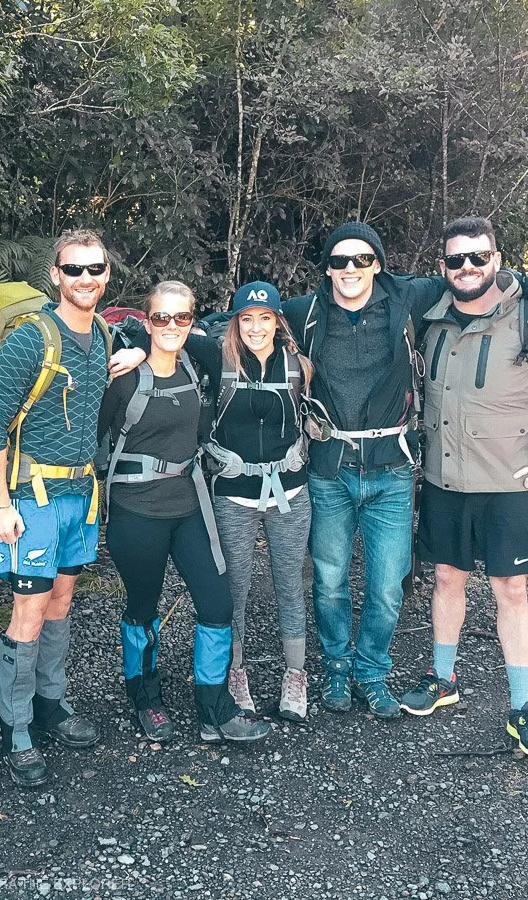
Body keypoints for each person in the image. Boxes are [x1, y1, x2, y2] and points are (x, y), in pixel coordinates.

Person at [279, 221, 528, 719]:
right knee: (328, 581)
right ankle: (337, 671)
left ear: (378, 263)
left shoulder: (410, 298)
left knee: (389, 585)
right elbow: (238, 322)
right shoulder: (304, 312)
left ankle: (371, 672)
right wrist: (141, 340)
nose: (350, 270)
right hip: (329, 468)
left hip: (391, 469)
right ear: (326, 268)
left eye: (361, 259)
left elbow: (478, 275)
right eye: (339, 261)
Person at [398, 216, 528, 758]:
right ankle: (443, 680)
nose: (467, 268)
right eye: (456, 259)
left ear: (496, 258)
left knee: (511, 590)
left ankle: (523, 706)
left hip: (508, 485)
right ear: (441, 266)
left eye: (478, 257)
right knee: (446, 577)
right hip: (444, 479)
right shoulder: (432, 319)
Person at [98, 281, 271, 744]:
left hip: (190, 505)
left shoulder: (201, 365)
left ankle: (214, 706)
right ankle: (145, 698)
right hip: (136, 512)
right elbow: (94, 436)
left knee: (217, 604)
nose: (170, 326)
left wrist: (152, 339)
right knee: (142, 609)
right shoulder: (124, 377)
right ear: (146, 320)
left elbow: (228, 338)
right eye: (160, 317)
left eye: (181, 317)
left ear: (191, 320)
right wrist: (134, 345)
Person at [0, 228, 111, 788]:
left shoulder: (103, 334)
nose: (86, 279)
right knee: (28, 611)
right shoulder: (32, 339)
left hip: (81, 497)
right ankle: (16, 727)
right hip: (31, 501)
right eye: (74, 270)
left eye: (95, 269)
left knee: (60, 601)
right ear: (55, 276)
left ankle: (52, 704)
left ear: (106, 275)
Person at [201, 282, 316, 721]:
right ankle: (236, 672)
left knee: (290, 585)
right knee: (237, 590)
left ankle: (295, 675)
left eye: (265, 318)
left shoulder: (298, 366)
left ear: (278, 321)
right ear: (234, 322)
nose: (255, 327)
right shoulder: (218, 360)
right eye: (246, 319)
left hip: (290, 491)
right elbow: (152, 337)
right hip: (234, 494)